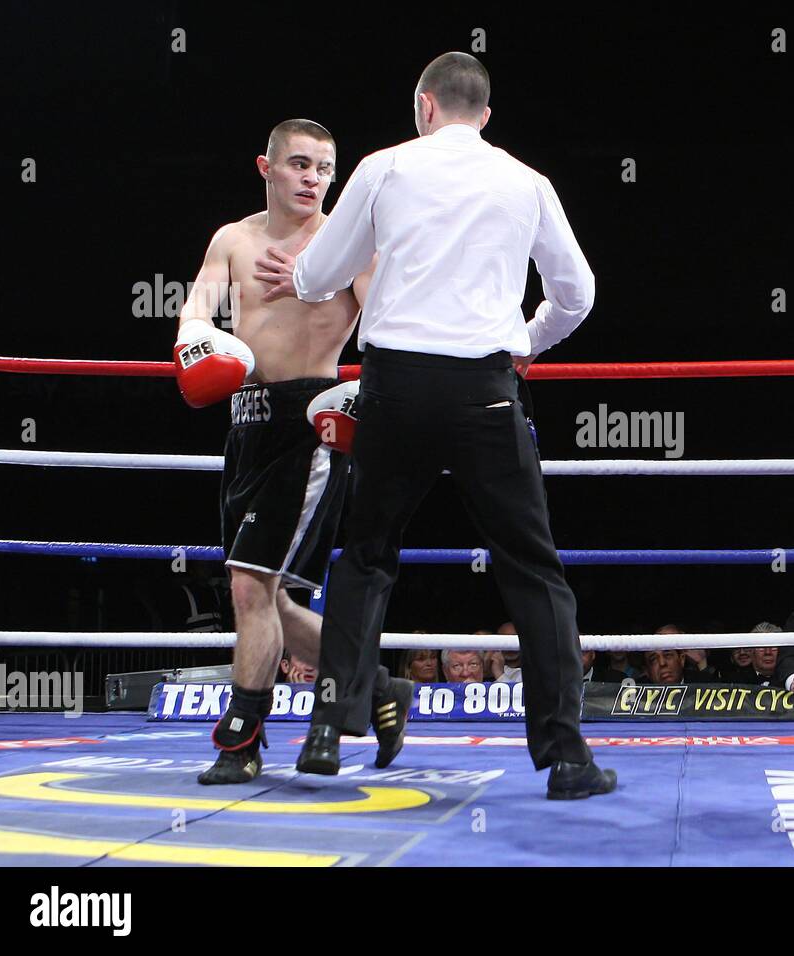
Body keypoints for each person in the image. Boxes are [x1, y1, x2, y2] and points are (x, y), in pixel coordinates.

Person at [260, 54, 614, 799]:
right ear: (484, 115)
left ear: (424, 105)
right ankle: (567, 758)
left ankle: (327, 730)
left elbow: (319, 275)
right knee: (533, 570)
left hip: (395, 388)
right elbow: (577, 293)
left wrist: (302, 276)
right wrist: (526, 342)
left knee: (366, 556)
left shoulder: (384, 167)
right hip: (485, 391)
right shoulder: (526, 180)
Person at [171, 118, 402, 785]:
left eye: (324, 169)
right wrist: (196, 345)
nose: (313, 179)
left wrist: (317, 281)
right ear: (266, 167)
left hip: (309, 425)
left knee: (250, 587)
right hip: (245, 423)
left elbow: (388, 326)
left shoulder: (349, 247)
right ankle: (376, 687)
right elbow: (195, 312)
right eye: (300, 164)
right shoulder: (232, 240)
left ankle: (240, 737)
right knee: (266, 598)